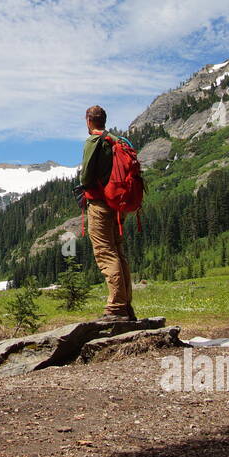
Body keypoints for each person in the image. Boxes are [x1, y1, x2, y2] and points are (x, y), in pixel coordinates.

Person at [77, 105, 134, 321]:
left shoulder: (94, 141)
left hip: (100, 204)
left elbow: (86, 176)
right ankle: (126, 304)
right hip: (117, 204)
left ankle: (116, 306)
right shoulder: (115, 140)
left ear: (89, 121)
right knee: (118, 251)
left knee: (105, 252)